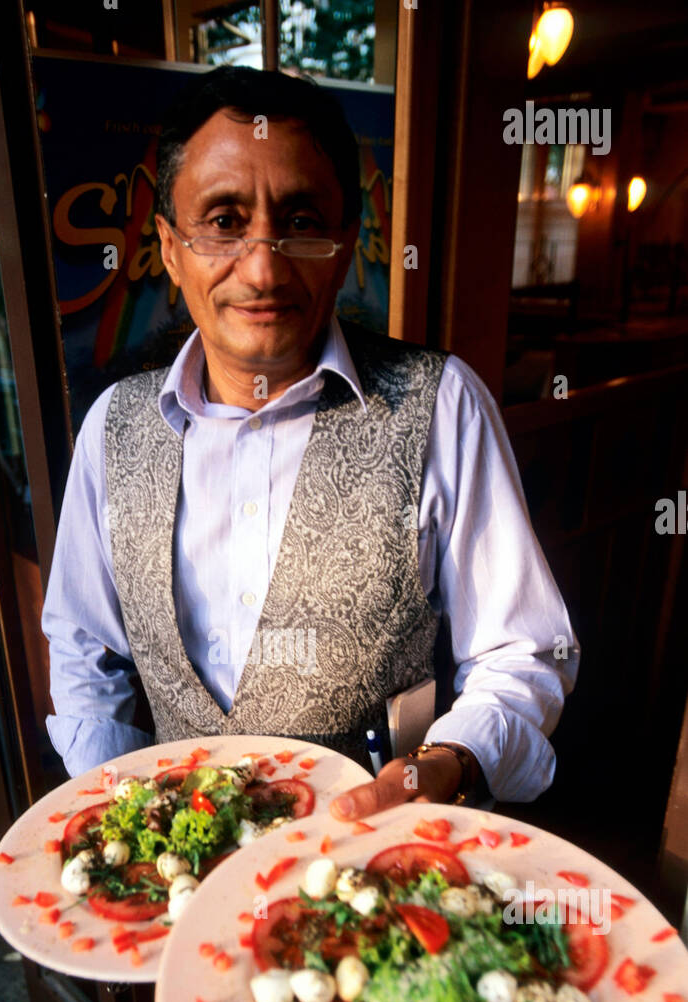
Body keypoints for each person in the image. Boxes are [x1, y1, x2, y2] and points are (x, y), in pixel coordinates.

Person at [41, 66, 579, 822]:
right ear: (168, 246)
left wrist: (439, 770)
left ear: (346, 241)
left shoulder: (442, 404)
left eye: (300, 221)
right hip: (175, 861)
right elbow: (83, 645)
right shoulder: (113, 428)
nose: (262, 268)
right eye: (223, 220)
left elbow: (522, 652)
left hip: (369, 858)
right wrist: (114, 805)